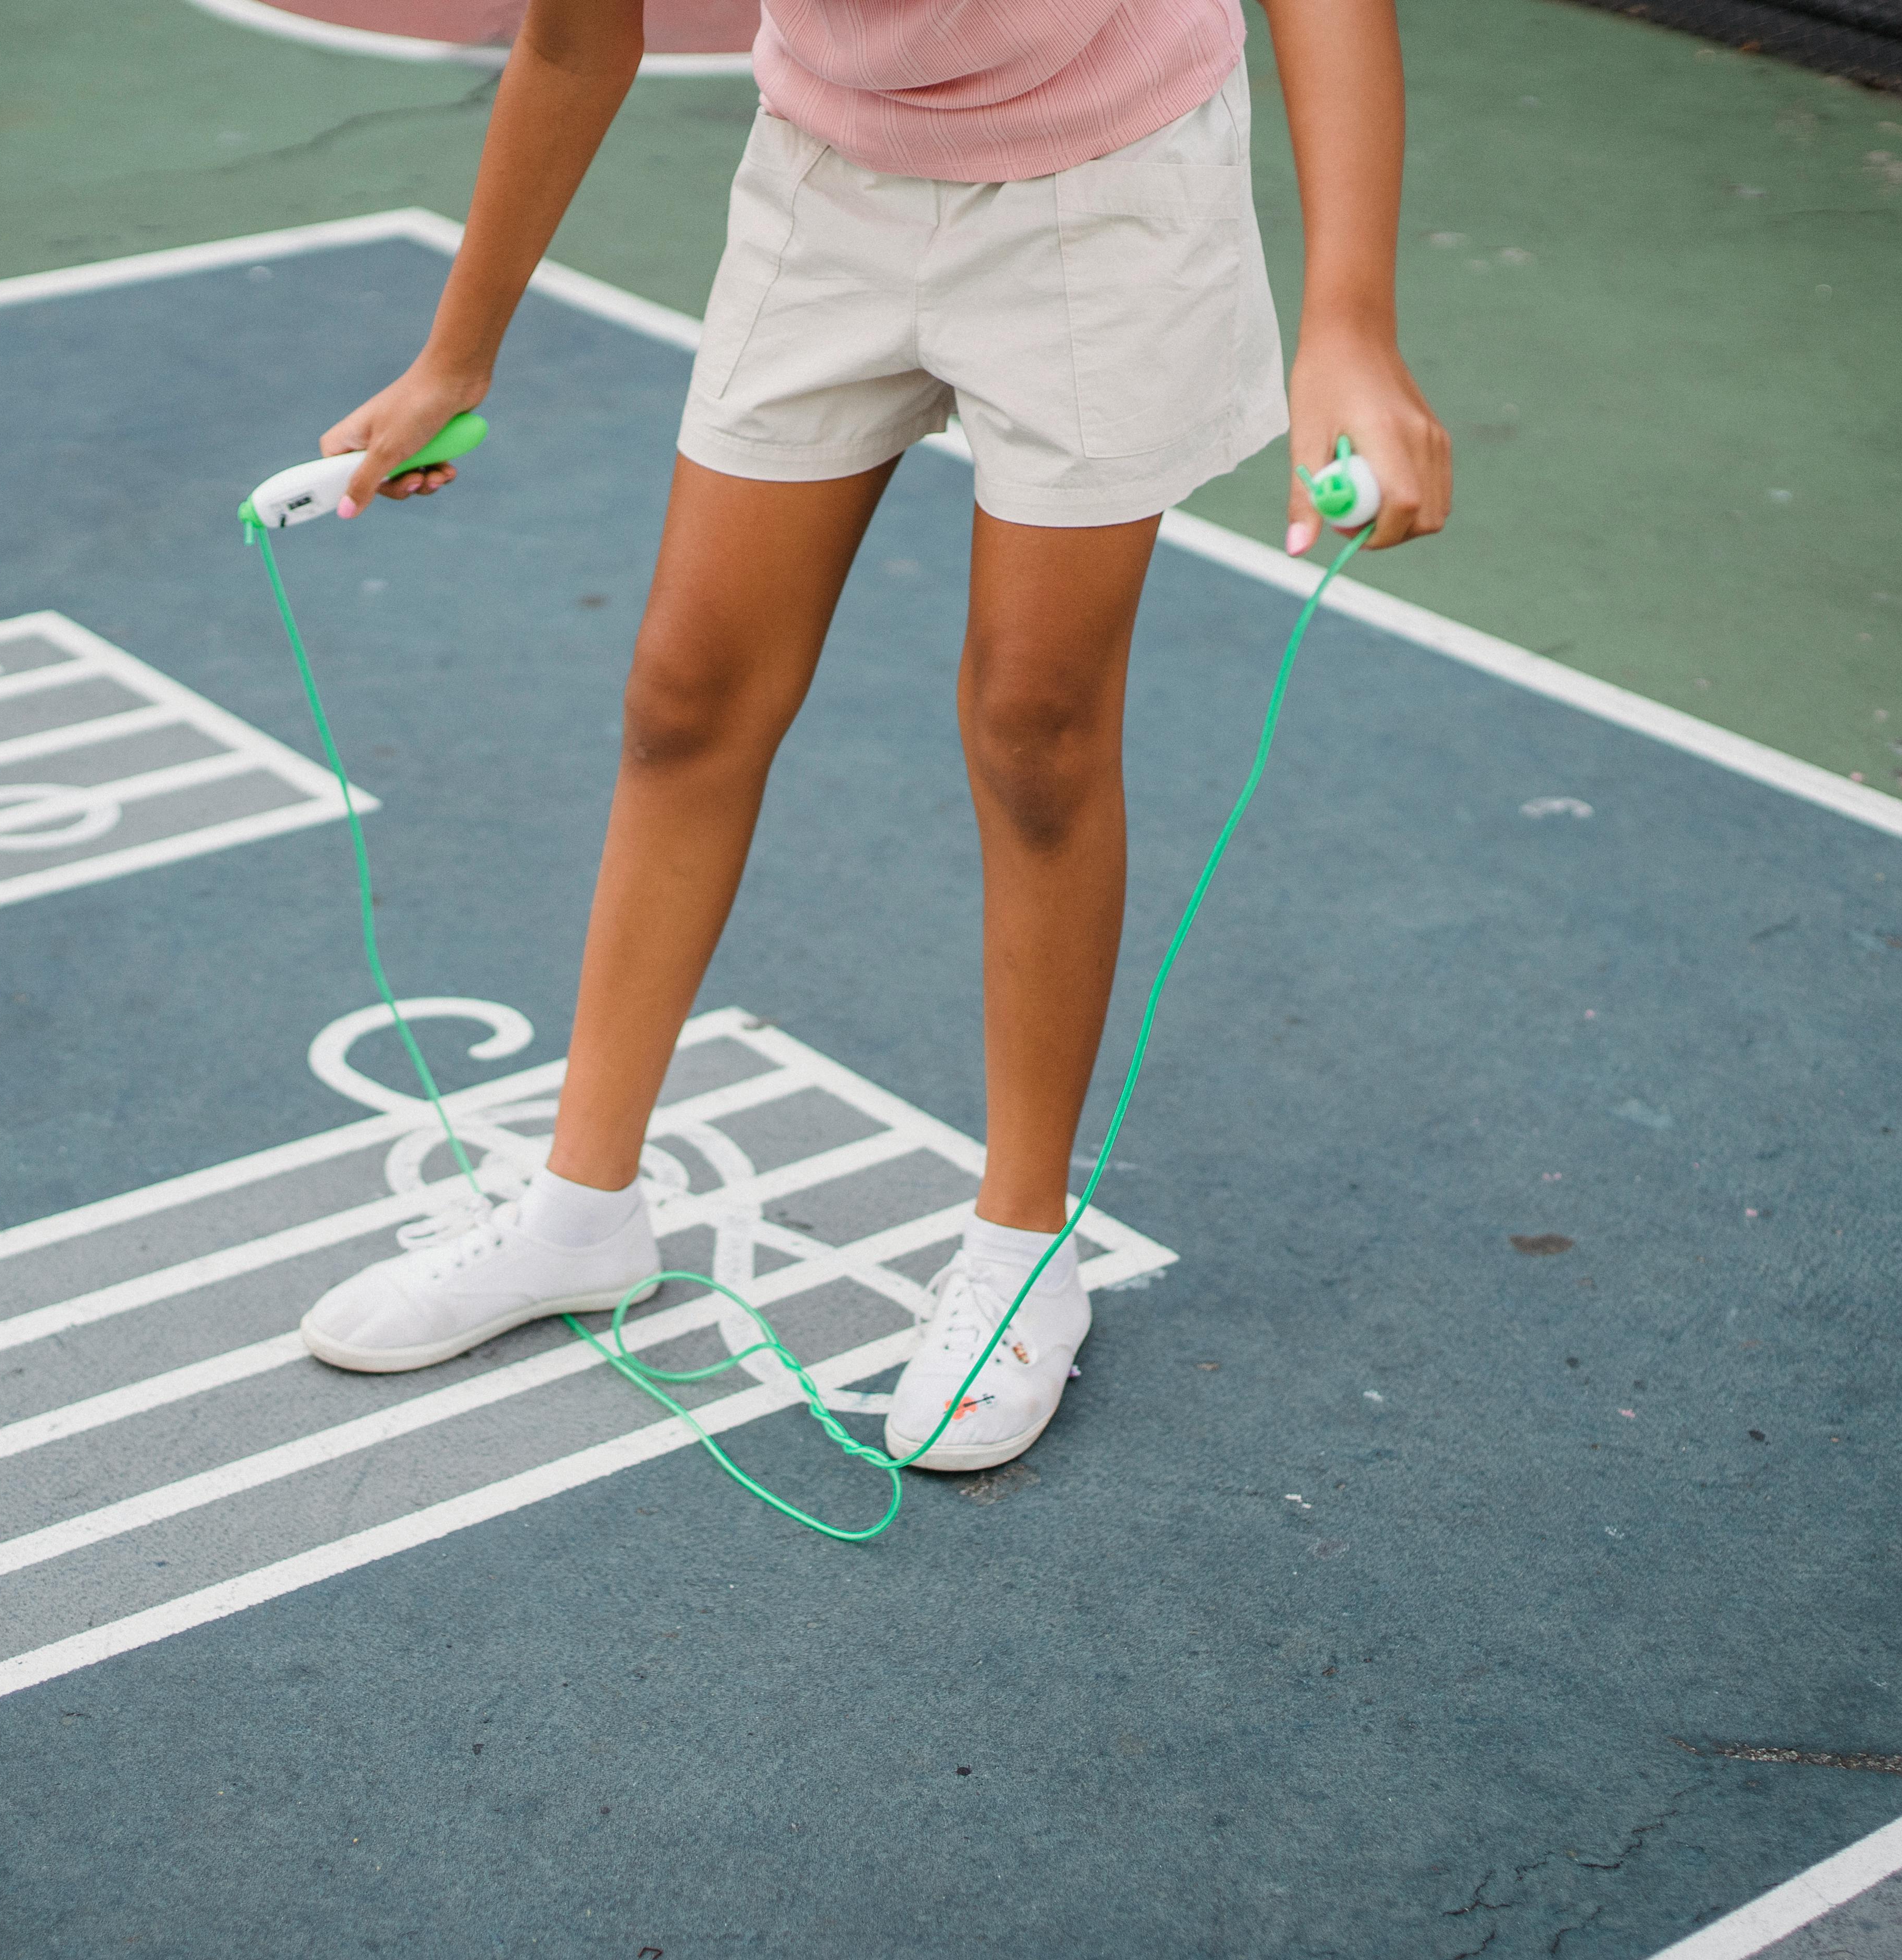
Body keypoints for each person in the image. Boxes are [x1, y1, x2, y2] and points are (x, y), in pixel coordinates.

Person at [297, 0, 1451, 1472]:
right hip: (828, 178)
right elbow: (579, 40)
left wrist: (1350, 322)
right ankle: (583, 1211)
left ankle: (1024, 1249)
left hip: (1108, 187)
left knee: (1037, 723)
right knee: (687, 694)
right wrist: (456, 358)